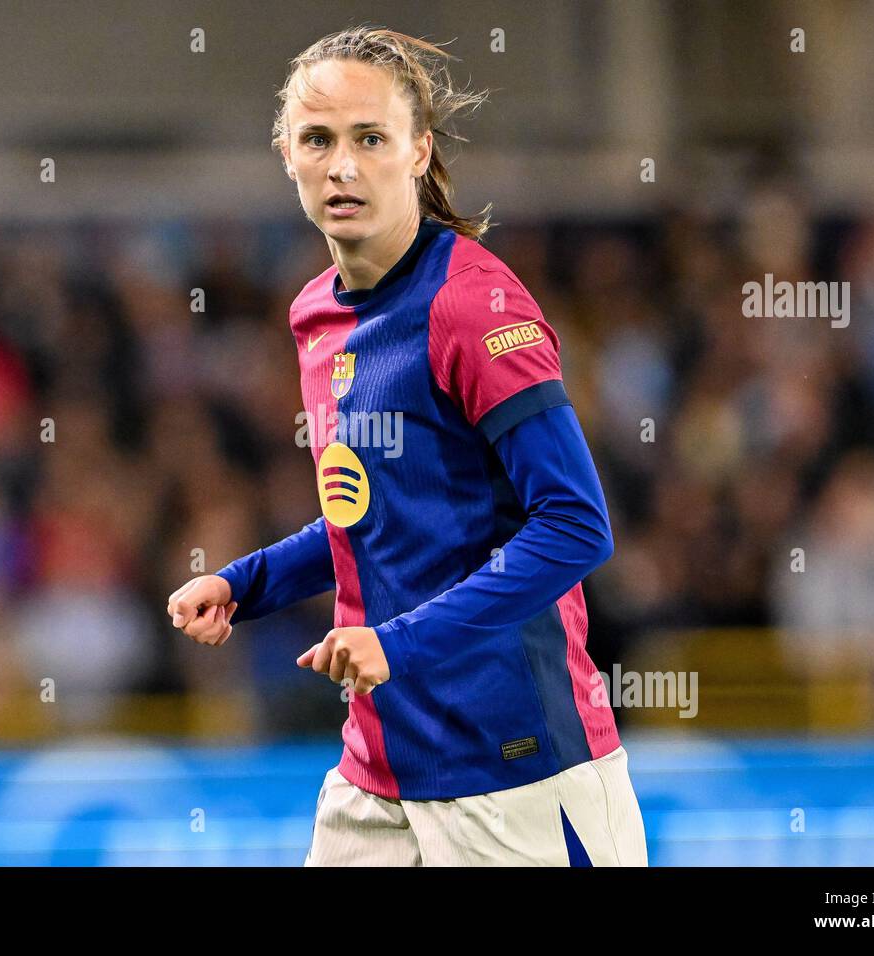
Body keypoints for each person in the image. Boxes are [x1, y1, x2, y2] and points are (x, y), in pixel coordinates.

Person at [166, 26, 647, 866]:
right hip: (377, 772)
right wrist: (246, 584)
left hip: (516, 773)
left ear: (419, 151)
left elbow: (576, 526)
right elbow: (376, 516)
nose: (342, 165)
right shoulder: (316, 314)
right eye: (318, 140)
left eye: (370, 139)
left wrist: (398, 644)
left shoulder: (474, 305)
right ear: (286, 154)